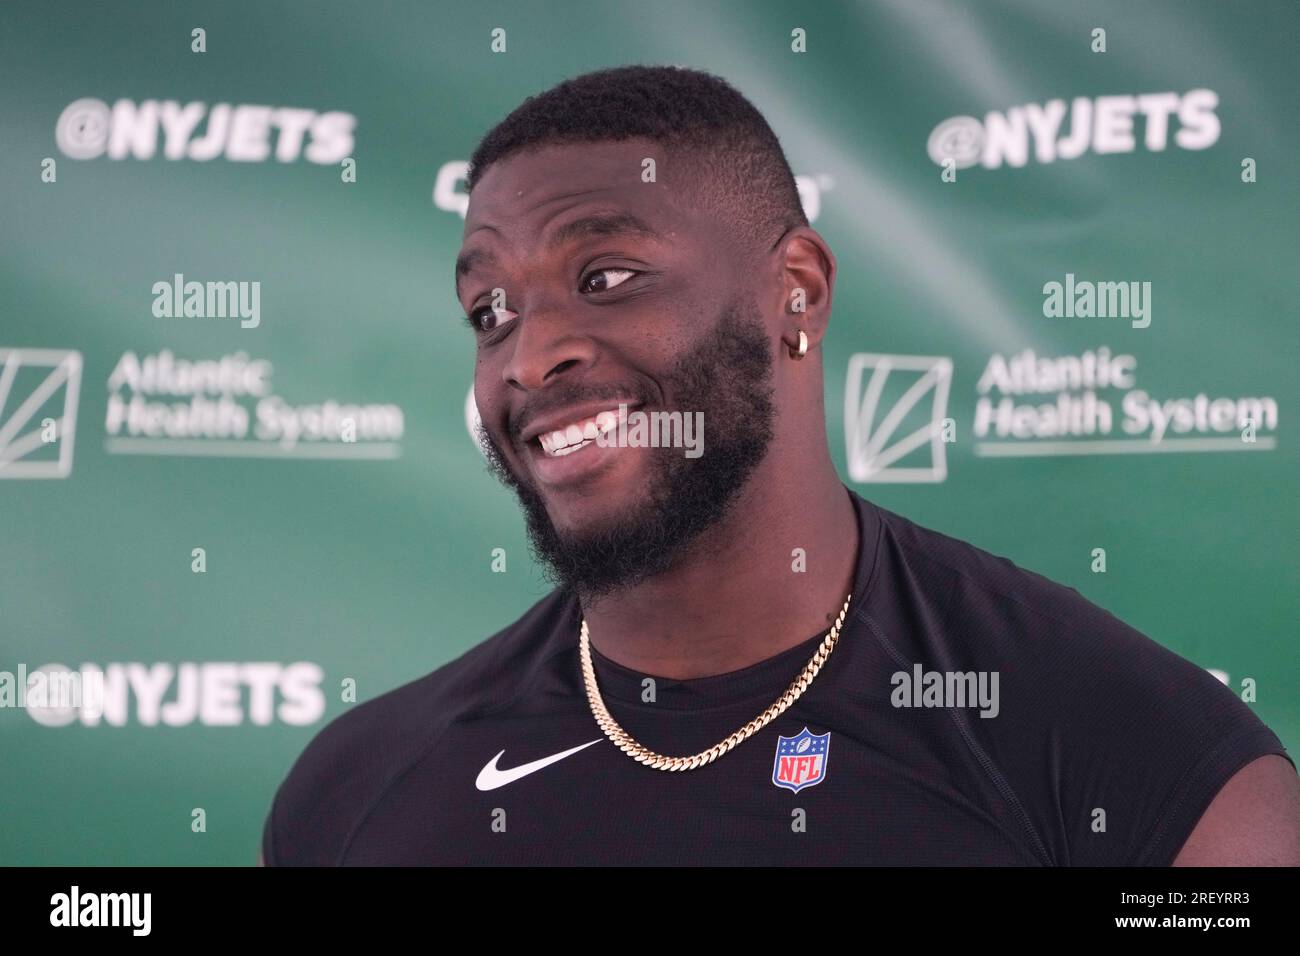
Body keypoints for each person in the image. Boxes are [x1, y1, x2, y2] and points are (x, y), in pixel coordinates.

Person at [260, 65, 1298, 866]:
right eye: (490, 310)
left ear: (795, 291)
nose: (531, 356)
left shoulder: (1144, 765)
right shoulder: (353, 794)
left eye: (606, 274)